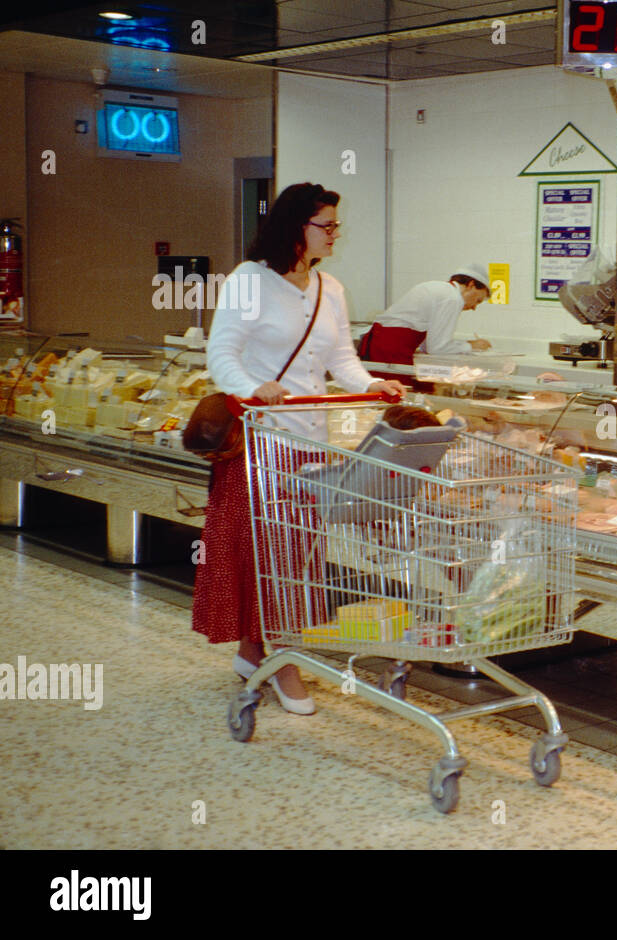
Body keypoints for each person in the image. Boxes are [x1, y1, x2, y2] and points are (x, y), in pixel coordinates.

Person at [194, 182, 403, 714]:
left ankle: (254, 649)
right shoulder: (250, 280)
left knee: (299, 554)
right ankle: (283, 658)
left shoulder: (329, 287)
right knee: (267, 553)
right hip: (261, 443)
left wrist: (373, 383)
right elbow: (221, 353)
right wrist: (251, 389)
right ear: (295, 227)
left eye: (335, 225)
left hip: (311, 443)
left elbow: (341, 357)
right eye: (326, 225)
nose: (335, 234)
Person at [356, 265, 492, 376]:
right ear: (471, 285)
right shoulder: (452, 298)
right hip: (390, 350)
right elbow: (437, 348)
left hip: (380, 345)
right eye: (477, 300)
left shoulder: (439, 288)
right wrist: (472, 345)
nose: (474, 307)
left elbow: (428, 345)